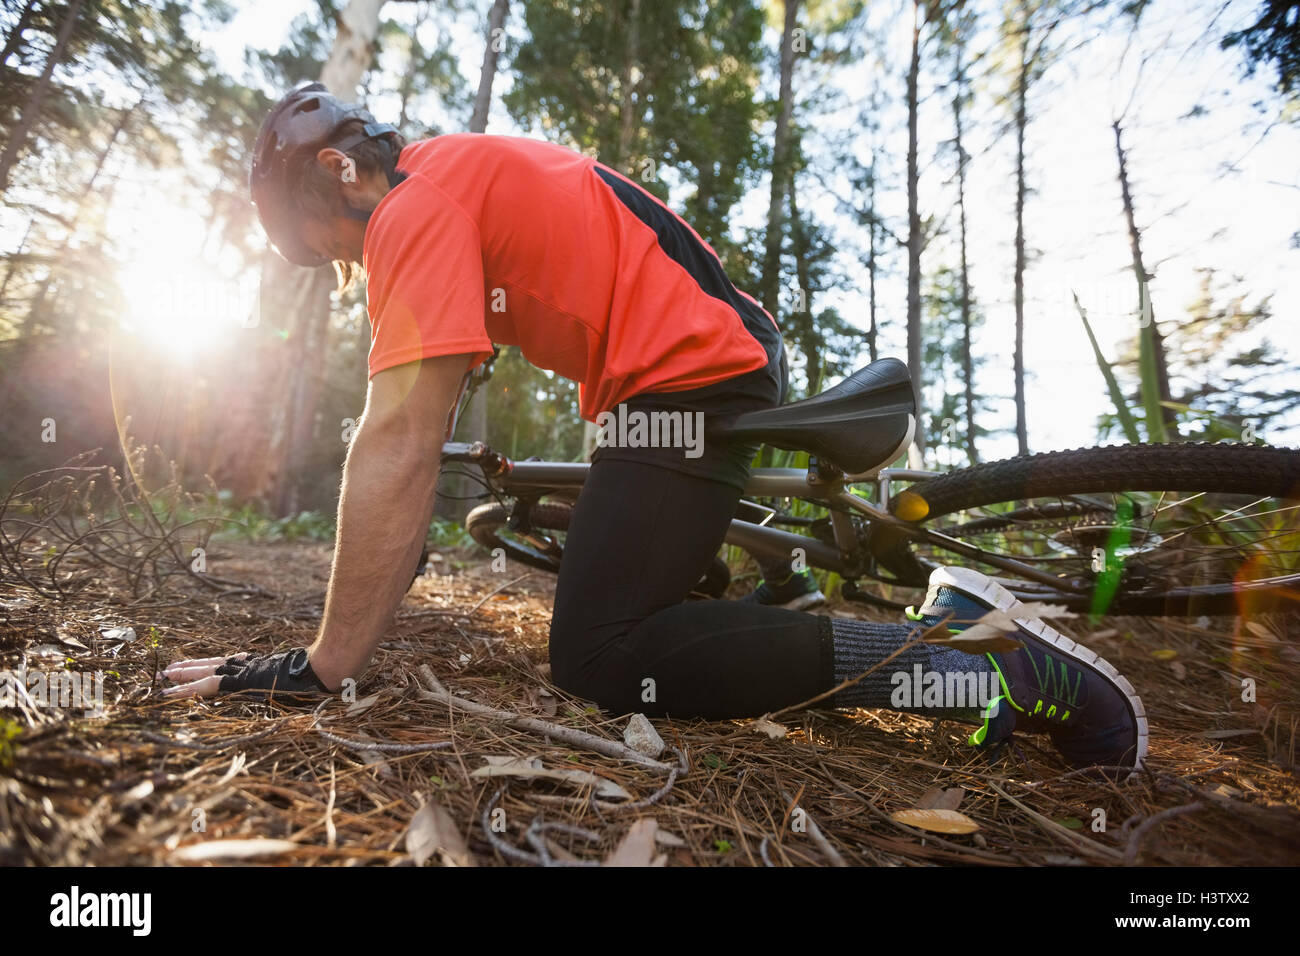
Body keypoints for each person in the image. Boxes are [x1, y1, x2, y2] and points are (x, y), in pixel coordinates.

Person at [162, 84, 1147, 777]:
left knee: (599, 653)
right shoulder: (444, 177)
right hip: (681, 365)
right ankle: (927, 616)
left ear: (341, 171)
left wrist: (319, 666)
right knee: (620, 570)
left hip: (689, 371)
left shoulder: (412, 208)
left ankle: (968, 664)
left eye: (331, 245)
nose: (349, 268)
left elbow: (396, 440)